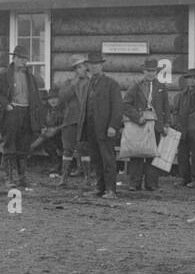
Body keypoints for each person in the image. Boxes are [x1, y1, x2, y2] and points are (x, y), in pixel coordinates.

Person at [0, 47, 46, 188]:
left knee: (24, 146)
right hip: (12, 113)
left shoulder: (31, 78)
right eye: (21, 58)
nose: (23, 61)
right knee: (10, 146)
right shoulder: (3, 75)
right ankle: (9, 178)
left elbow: (36, 99)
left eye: (25, 59)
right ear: (13, 58)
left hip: (27, 113)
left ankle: (22, 178)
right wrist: (6, 105)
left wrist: (39, 118)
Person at [79, 51, 124, 200]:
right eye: (91, 65)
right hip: (91, 127)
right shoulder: (89, 83)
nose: (94, 67)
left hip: (106, 129)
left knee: (108, 159)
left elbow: (117, 108)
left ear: (101, 66)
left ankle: (111, 190)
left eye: (97, 64)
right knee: (96, 159)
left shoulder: (111, 84)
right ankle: (100, 188)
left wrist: (113, 126)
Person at [122, 58, 169, 192]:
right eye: (148, 71)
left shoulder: (161, 87)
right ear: (144, 71)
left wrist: (166, 124)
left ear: (156, 72)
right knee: (137, 154)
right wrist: (137, 117)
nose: (151, 73)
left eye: (153, 71)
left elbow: (166, 108)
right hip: (140, 125)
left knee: (153, 154)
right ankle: (134, 183)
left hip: (156, 126)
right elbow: (125, 105)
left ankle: (151, 184)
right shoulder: (136, 86)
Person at [172, 67, 195, 187]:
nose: (192, 81)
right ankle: (184, 178)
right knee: (182, 154)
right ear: (186, 80)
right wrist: (176, 124)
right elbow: (175, 111)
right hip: (183, 127)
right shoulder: (180, 95)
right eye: (189, 78)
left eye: (194, 78)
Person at [56, 55, 90, 185]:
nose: (80, 70)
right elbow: (62, 97)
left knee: (85, 150)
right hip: (70, 120)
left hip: (85, 121)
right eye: (77, 67)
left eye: (82, 66)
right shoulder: (69, 83)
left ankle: (87, 178)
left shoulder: (91, 82)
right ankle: (64, 177)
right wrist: (74, 84)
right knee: (68, 149)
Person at [29, 90, 64, 170]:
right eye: (50, 99)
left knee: (46, 139)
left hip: (62, 135)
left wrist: (56, 129)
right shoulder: (47, 110)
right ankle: (56, 163)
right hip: (49, 135)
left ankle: (30, 148)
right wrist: (43, 127)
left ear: (59, 99)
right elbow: (43, 122)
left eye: (55, 98)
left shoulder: (63, 110)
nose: (52, 101)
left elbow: (67, 123)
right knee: (47, 142)